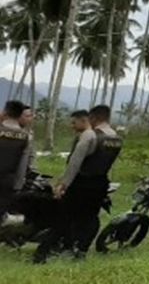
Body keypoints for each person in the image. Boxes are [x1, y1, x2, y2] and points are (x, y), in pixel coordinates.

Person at [36, 105, 123, 263]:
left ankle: (42, 253)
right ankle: (81, 251)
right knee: (90, 218)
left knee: (63, 217)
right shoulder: (116, 138)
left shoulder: (90, 136)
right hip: (101, 183)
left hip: (81, 183)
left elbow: (75, 163)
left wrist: (63, 184)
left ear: (93, 118)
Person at [0, 100, 32, 218]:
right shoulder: (25, 136)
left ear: (5, 112)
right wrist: (18, 185)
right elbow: (23, 164)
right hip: (8, 180)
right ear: (19, 115)